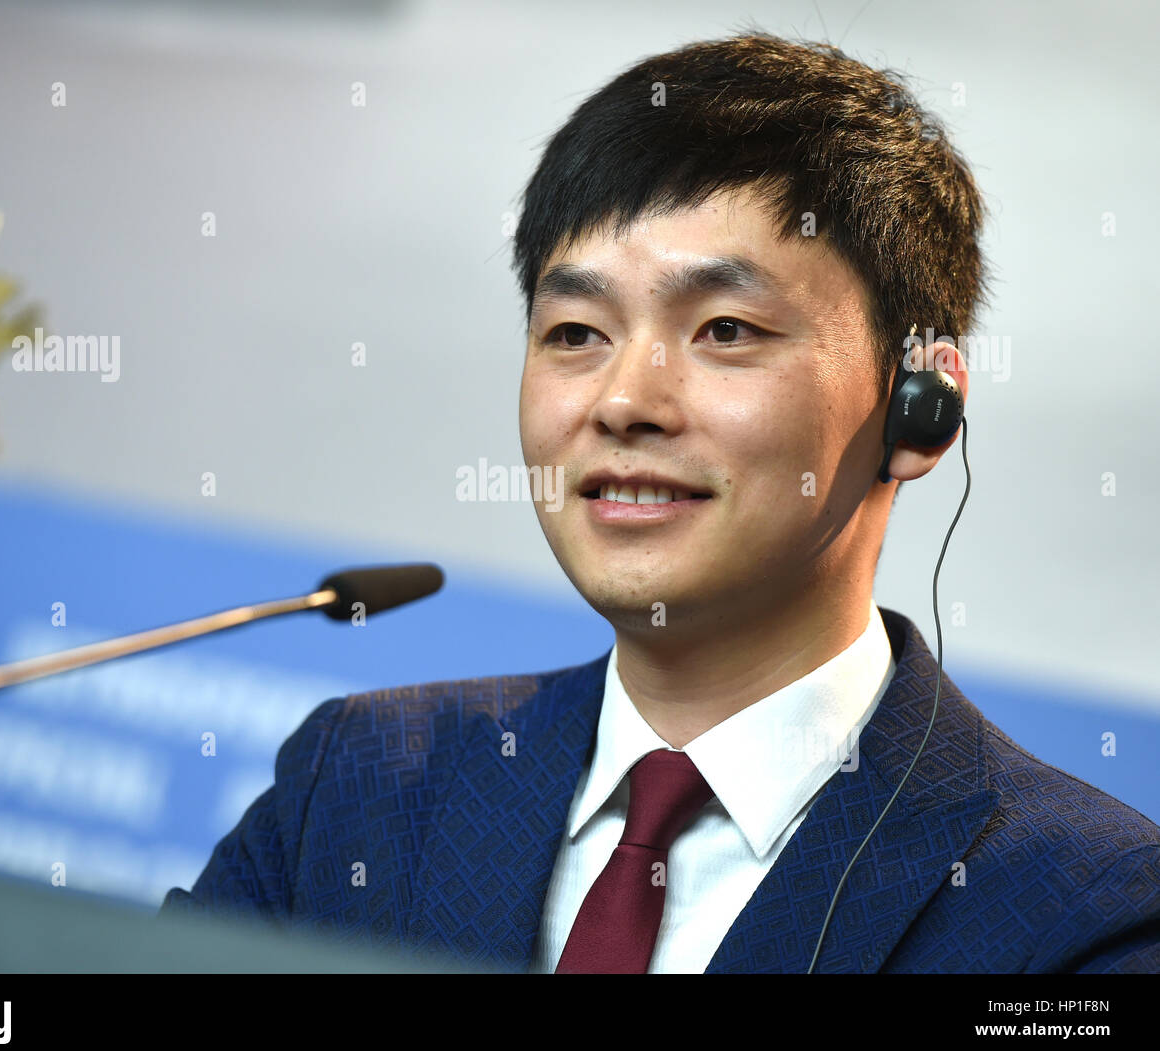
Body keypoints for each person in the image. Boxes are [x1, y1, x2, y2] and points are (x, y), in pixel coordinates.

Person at [160, 32, 1160, 973]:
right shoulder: (360, 784)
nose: (624, 401)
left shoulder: (1086, 906)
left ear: (917, 408)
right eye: (575, 332)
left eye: (724, 329)